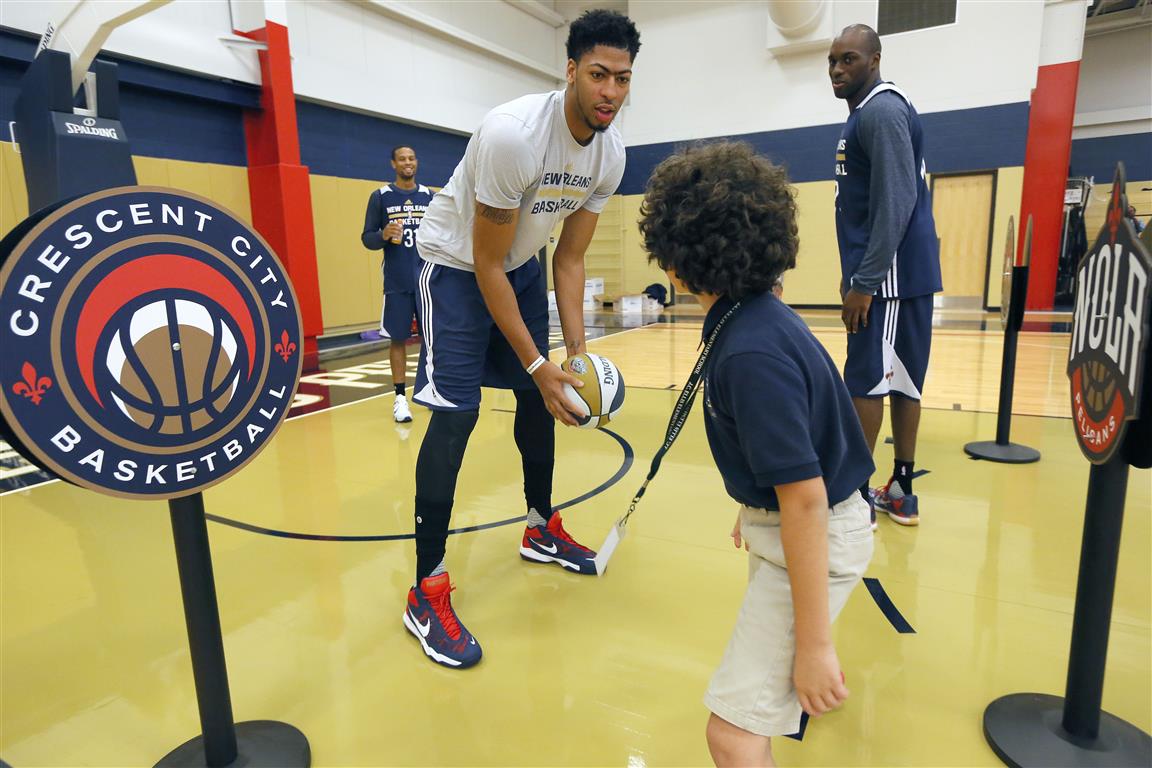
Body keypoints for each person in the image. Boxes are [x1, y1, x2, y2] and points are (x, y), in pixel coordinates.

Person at [400, 9, 641, 669]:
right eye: (598, 74)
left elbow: (568, 260)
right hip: (454, 267)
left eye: (622, 79)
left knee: (542, 397)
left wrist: (574, 355)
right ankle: (427, 587)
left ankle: (540, 528)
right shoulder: (512, 137)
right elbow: (483, 264)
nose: (610, 92)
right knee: (456, 418)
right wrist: (536, 362)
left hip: (522, 269)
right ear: (570, 71)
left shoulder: (611, 154)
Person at [639, 142, 874, 767]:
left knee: (732, 734)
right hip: (795, 526)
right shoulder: (756, 319)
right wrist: (755, 504)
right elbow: (796, 459)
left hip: (813, 535)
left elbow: (804, 496)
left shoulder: (750, 353)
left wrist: (814, 648)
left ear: (679, 258)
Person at [829, 24, 942, 527]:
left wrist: (865, 283)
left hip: (888, 283)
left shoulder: (880, 111)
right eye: (832, 61)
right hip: (896, 279)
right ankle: (900, 489)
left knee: (869, 381)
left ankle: (855, 499)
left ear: (875, 60)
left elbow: (896, 203)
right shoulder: (871, 113)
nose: (837, 69)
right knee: (902, 382)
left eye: (848, 59)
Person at [361, 146, 433, 423]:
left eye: (412, 158)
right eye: (402, 159)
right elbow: (367, 238)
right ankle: (400, 398)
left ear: (417, 162)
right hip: (397, 280)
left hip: (427, 281)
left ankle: (430, 388)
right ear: (393, 163)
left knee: (433, 339)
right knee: (398, 338)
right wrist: (383, 234)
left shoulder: (429, 196)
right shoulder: (380, 197)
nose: (407, 162)